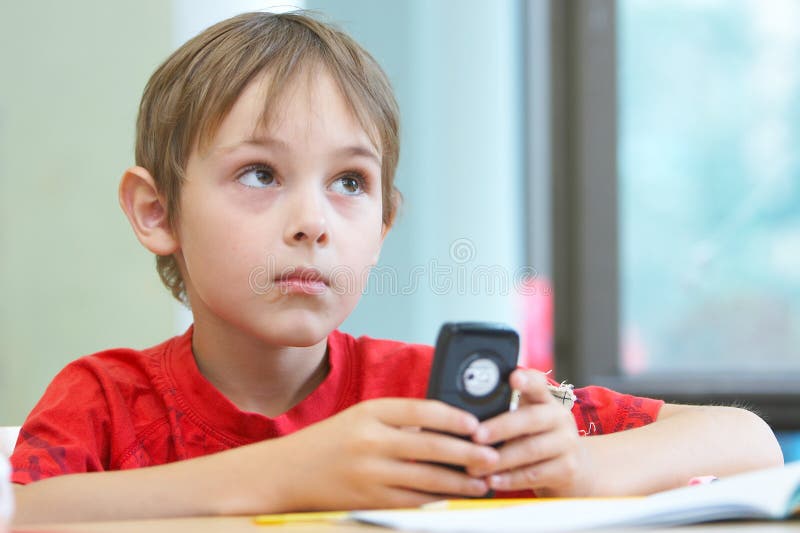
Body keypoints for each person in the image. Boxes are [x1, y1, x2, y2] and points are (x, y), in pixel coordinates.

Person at [9, 11, 783, 524]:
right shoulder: (104, 400)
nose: (314, 221)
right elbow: (29, 514)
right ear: (157, 212)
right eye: (260, 173)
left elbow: (748, 440)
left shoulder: (430, 397)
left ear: (381, 227)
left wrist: (577, 463)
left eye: (350, 183)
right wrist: (292, 472)